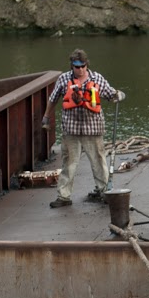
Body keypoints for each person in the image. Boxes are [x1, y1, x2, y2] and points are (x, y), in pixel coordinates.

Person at [43, 50, 124, 209]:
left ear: (87, 65)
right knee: (69, 163)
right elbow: (53, 99)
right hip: (71, 129)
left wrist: (118, 95)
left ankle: (105, 192)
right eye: (76, 66)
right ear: (72, 66)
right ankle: (64, 196)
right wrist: (46, 117)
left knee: (98, 161)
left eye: (83, 66)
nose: (80, 70)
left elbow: (110, 94)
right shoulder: (64, 79)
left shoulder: (97, 78)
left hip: (93, 129)